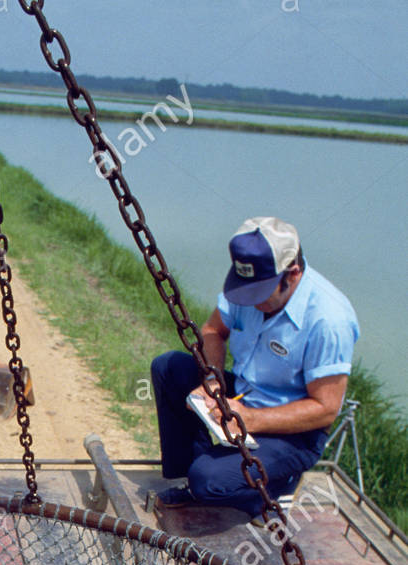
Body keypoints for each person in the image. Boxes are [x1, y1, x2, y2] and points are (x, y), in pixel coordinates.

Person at [150, 216, 359, 514]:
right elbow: (212, 331)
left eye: (260, 293)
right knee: (168, 367)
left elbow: (325, 409)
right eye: (246, 291)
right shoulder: (248, 283)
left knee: (208, 480)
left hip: (293, 432)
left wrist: (253, 419)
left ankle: (276, 490)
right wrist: (213, 379)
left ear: (293, 273)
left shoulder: (329, 320)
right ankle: (194, 477)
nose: (251, 301)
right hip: (245, 394)